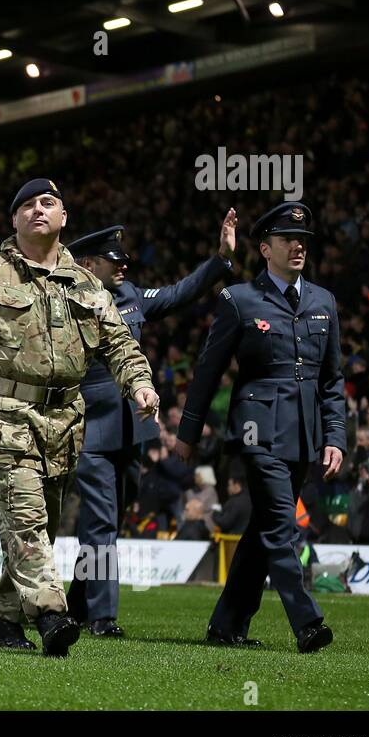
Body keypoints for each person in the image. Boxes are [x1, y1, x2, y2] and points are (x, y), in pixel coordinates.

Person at [0, 178, 159, 656]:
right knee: (26, 520)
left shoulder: (88, 284)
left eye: (48, 203)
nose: (37, 210)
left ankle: (6, 624)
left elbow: (117, 342)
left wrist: (139, 381)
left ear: (64, 217)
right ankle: (53, 616)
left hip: (65, 422)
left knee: (40, 527)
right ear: (13, 220)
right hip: (1, 416)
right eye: (26, 205)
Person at [177, 201, 342, 654]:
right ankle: (306, 622)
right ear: (265, 248)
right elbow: (208, 372)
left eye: (303, 241)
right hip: (258, 432)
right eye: (289, 240)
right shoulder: (239, 300)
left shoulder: (323, 301)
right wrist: (188, 434)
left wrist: (336, 437)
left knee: (262, 529)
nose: (298, 247)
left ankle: (226, 625)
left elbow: (332, 380)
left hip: (304, 434)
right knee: (279, 523)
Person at [63, 212, 235, 637]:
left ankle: (77, 604)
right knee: (101, 521)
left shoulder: (132, 296)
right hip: (93, 426)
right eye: (111, 259)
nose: (123, 265)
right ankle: (103, 617)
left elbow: (179, 294)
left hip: (133, 429)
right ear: (87, 265)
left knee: (110, 521)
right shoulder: (66, 300)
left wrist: (219, 260)